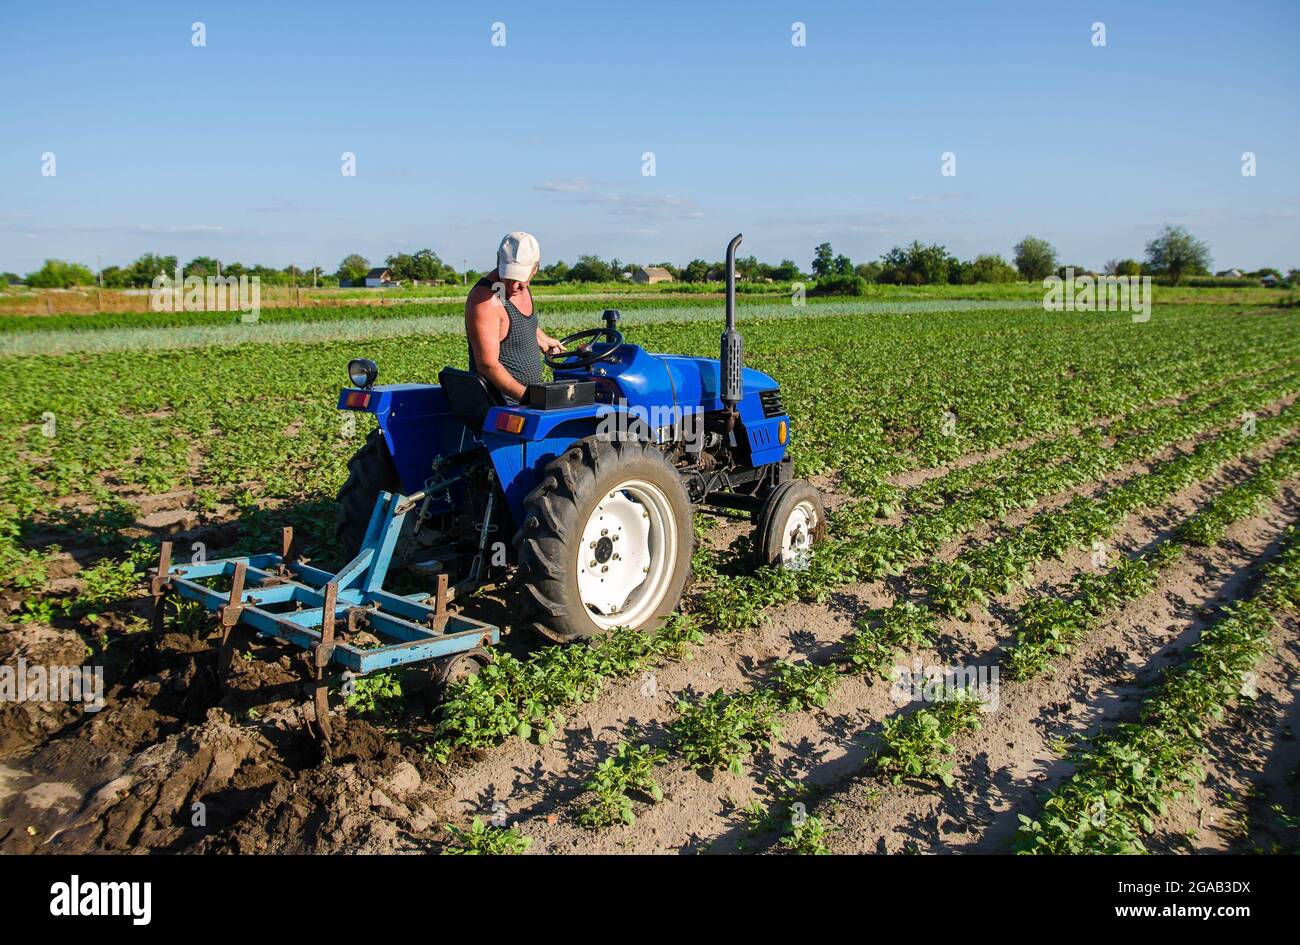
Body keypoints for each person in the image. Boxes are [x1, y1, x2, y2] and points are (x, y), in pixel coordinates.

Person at [465, 231, 566, 402]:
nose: (513, 285)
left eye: (520, 278)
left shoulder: (518, 289)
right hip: (504, 405)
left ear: (535, 268)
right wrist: (529, 398)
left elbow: (512, 323)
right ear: (498, 261)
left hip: (526, 399)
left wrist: (540, 337)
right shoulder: (486, 299)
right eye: (508, 277)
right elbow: (487, 364)